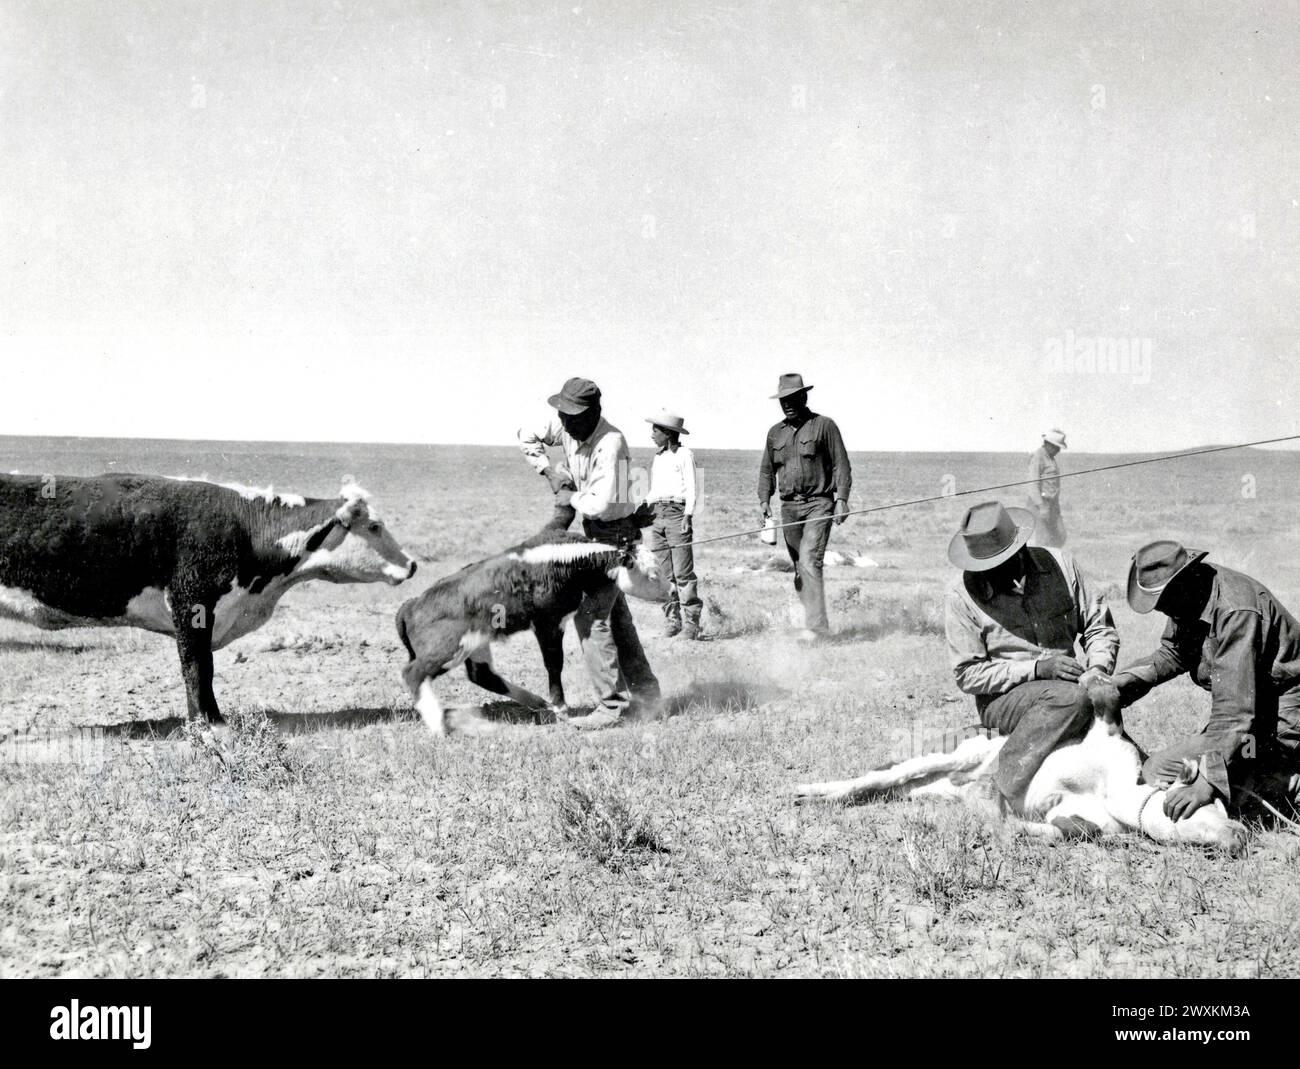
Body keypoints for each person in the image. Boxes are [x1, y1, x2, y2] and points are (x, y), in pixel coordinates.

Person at [944, 500, 1119, 810]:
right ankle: (992, 786)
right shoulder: (960, 596)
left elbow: (1098, 625)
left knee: (1102, 701)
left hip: (1074, 687)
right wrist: (1037, 669)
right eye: (982, 566)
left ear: (1019, 549)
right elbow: (968, 674)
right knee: (1072, 700)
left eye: (998, 563)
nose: (989, 573)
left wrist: (1097, 669)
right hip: (1004, 700)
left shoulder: (1062, 567)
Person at [1111, 541, 1300, 821]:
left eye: (1163, 601)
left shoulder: (1236, 611)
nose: (1162, 611)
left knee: (1221, 792)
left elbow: (1235, 713)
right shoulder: (1190, 595)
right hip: (1253, 720)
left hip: (1279, 721)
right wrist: (1118, 685)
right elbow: (1174, 652)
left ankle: (1286, 779)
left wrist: (1208, 782)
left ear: (1182, 580)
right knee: (1159, 770)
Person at [518, 377, 660, 729]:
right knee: (616, 619)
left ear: (594, 412)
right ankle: (648, 697)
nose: (564, 424)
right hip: (594, 533)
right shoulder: (567, 422)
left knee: (590, 614)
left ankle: (611, 708)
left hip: (615, 533)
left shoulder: (610, 442)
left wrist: (569, 497)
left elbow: (598, 503)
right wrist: (549, 470)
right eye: (562, 415)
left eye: (573, 417)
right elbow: (526, 434)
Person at [757, 373, 851, 642]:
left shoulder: (824, 426)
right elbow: (766, 471)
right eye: (782, 399)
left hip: (819, 504)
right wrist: (764, 499)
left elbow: (841, 464)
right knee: (800, 569)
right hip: (788, 509)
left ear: (804, 396)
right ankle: (812, 620)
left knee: (810, 560)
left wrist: (842, 498)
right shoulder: (775, 433)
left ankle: (818, 630)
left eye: (792, 398)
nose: (787, 404)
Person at [644, 409, 702, 640]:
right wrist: (640, 508)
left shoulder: (685, 454)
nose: (651, 435)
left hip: (678, 515)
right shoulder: (658, 457)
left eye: (655, 430)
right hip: (658, 514)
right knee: (664, 573)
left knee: (683, 572)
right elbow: (654, 491)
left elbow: (692, 488)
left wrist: (687, 516)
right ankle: (672, 619)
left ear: (668, 433)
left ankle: (691, 624)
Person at [1027, 428, 1067, 548]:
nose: (1059, 450)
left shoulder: (1051, 458)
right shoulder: (1038, 457)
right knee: (1044, 541)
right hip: (1041, 504)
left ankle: (1052, 562)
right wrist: (1041, 507)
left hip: (1053, 505)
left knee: (1060, 535)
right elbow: (1033, 485)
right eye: (1057, 447)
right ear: (1049, 444)